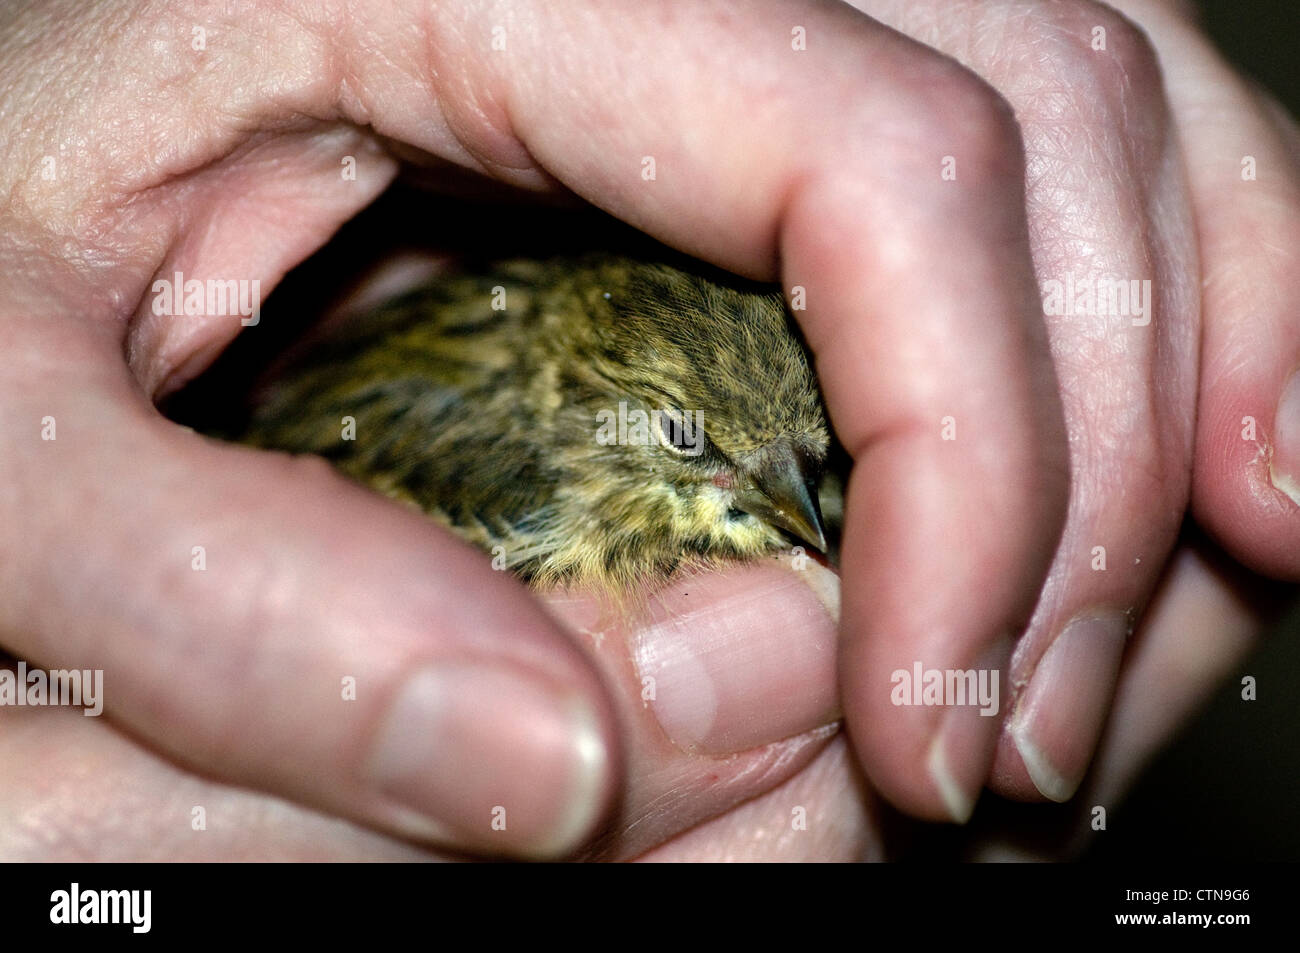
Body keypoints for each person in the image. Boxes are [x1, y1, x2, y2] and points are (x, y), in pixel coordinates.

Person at [0, 0, 1295, 861]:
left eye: (811, 446)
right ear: (600, 403)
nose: (786, 493)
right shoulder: (506, 468)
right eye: (691, 440)